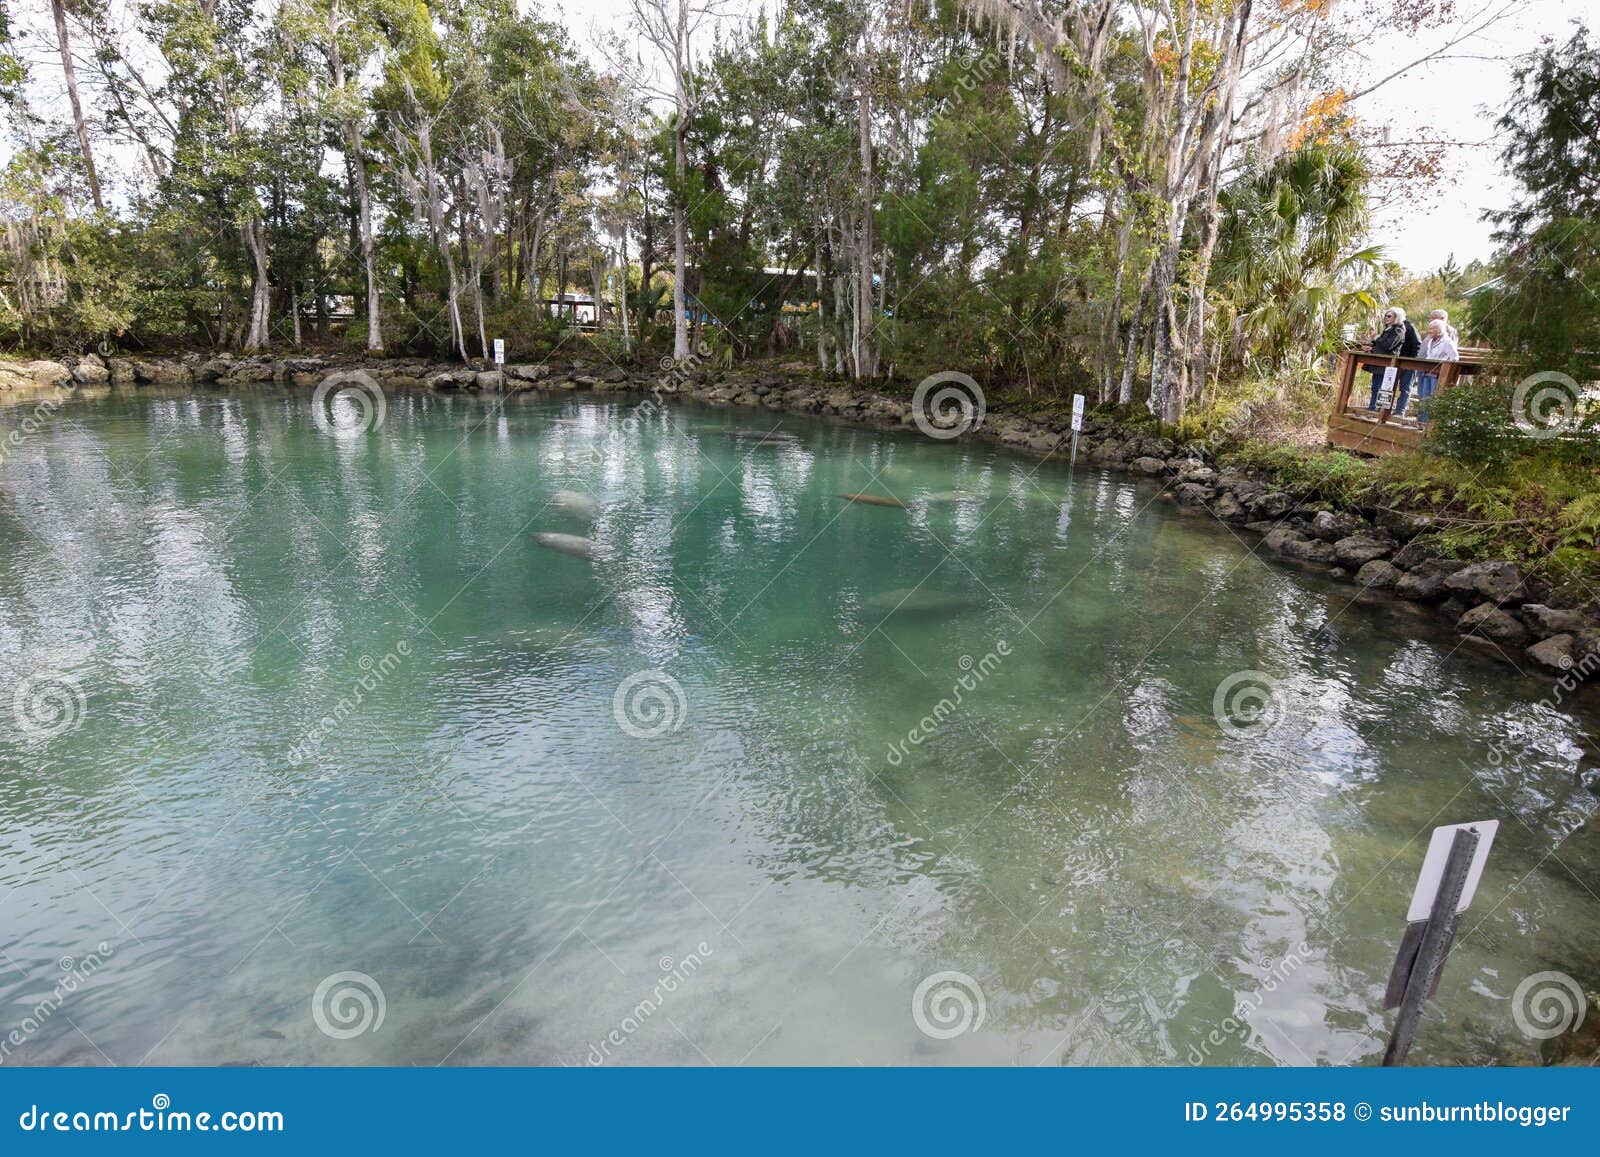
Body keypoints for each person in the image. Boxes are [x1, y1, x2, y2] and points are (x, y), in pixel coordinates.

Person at [1413, 318, 1458, 424]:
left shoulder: (1447, 342)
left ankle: (1431, 422)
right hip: (1427, 371)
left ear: (1439, 330)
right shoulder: (1431, 341)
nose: (1430, 331)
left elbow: (1454, 357)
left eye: (1432, 329)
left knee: (1434, 396)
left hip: (1438, 374)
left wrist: (1444, 365)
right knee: (1424, 396)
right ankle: (1422, 421)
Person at [1367, 308, 1407, 412]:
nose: (1386, 318)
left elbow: (1388, 345)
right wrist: (1372, 347)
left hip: (1387, 364)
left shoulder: (1398, 330)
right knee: (1375, 387)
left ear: (1396, 317)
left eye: (1389, 316)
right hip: (1379, 363)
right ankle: (1372, 408)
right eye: (1386, 315)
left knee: (1383, 388)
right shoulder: (1388, 328)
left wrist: (1376, 337)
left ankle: (1379, 411)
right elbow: (1381, 345)